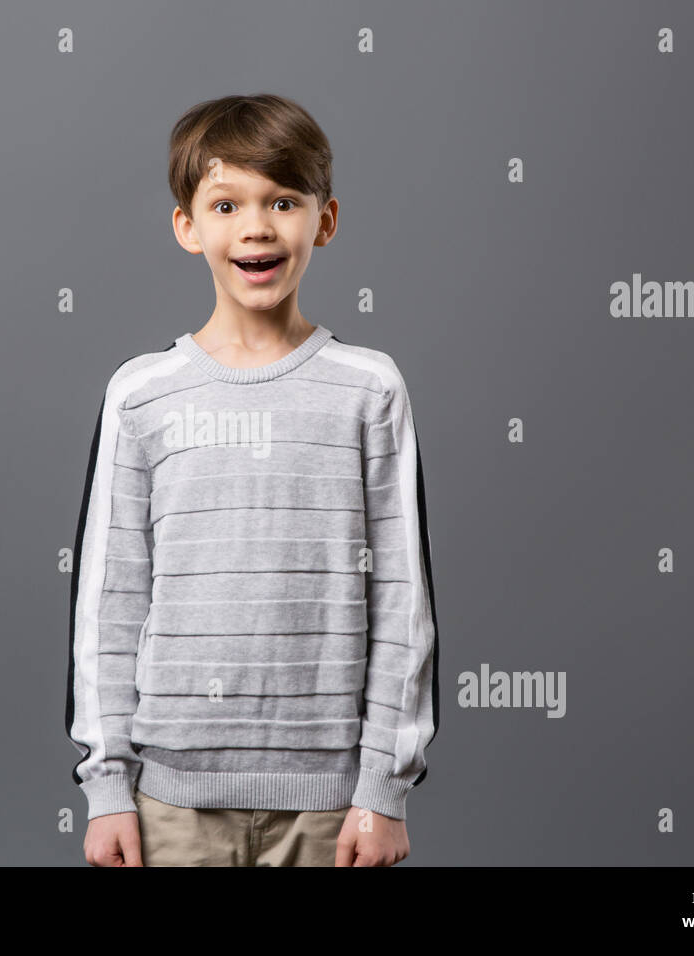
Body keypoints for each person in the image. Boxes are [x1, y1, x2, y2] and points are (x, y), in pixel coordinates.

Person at [65, 93, 439, 866]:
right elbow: (110, 599)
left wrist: (383, 791)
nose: (257, 226)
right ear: (188, 226)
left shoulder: (369, 390)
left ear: (324, 221)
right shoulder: (142, 395)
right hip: (170, 803)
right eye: (227, 203)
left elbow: (401, 598)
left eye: (284, 201)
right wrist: (108, 788)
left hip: (334, 808)